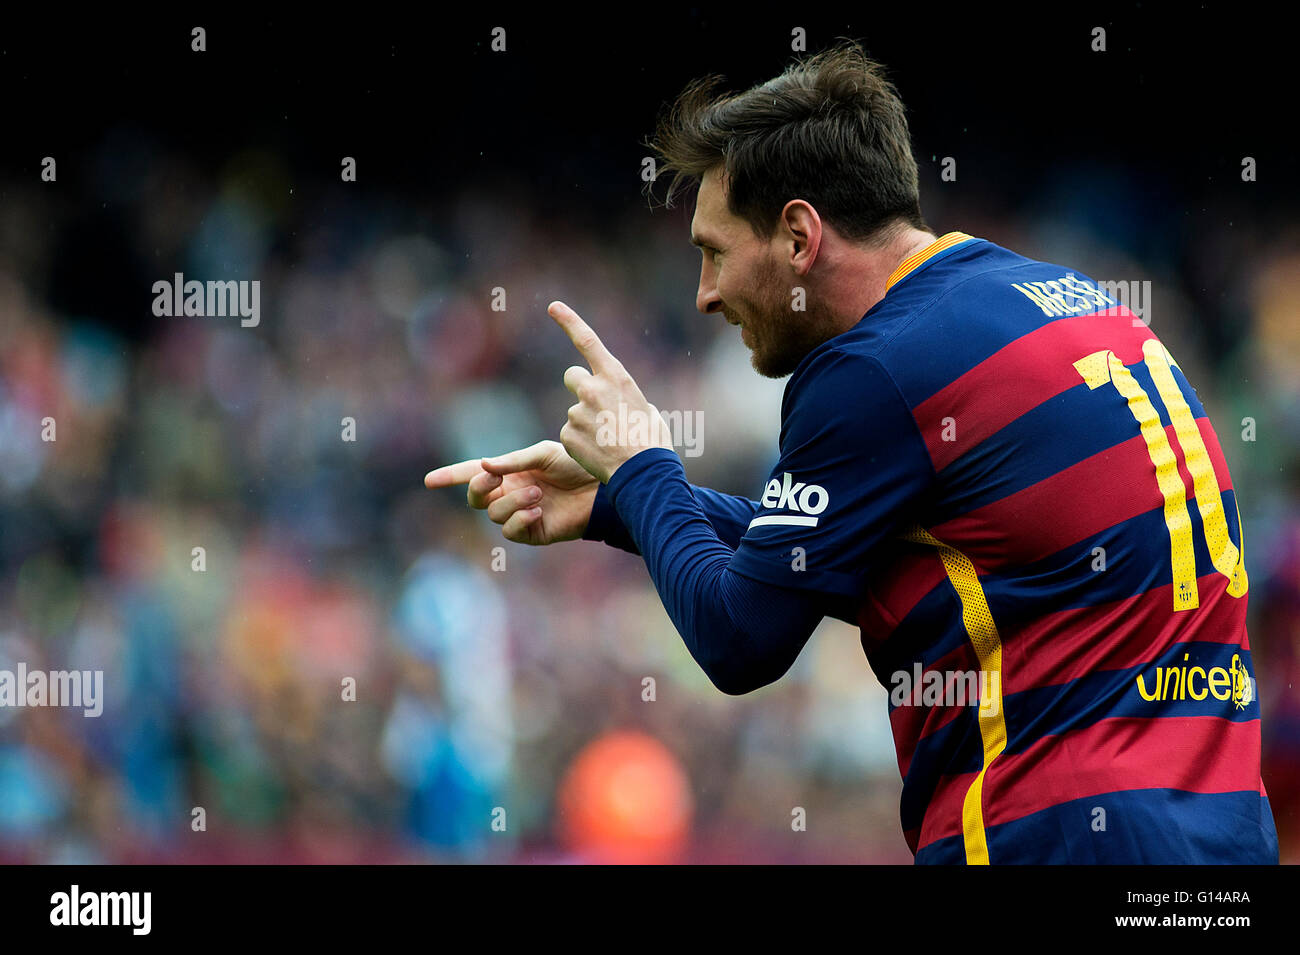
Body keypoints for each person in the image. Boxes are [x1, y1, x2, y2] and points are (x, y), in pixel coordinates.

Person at [424, 40, 1278, 864]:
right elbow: (876, 557)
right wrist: (621, 503)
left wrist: (645, 464)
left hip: (1050, 831)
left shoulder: (876, 369)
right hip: (1224, 838)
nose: (705, 294)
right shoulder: (1077, 301)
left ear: (799, 236)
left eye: (715, 253)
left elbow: (741, 638)